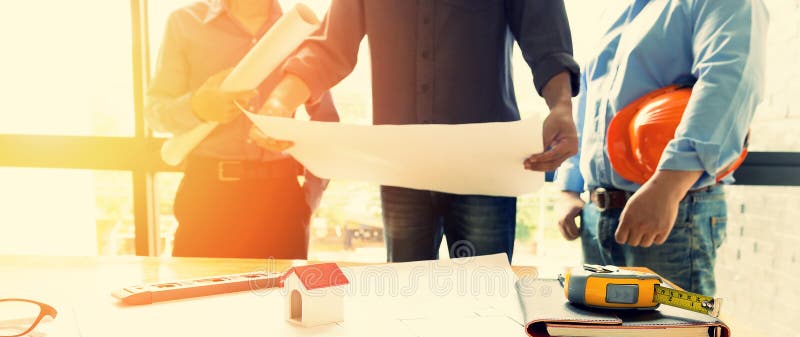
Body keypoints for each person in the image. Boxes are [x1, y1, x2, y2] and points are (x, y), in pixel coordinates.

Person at [251, 1, 580, 262]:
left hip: (485, 170)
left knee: (487, 296)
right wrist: (280, 102)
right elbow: (331, 44)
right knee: (404, 299)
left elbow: (546, 36)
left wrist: (562, 106)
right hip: (401, 169)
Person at [556, 0, 768, 295]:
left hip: (673, 209)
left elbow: (730, 83)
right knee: (603, 325)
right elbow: (590, 105)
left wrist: (668, 186)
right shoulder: (614, 11)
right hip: (597, 216)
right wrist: (569, 188)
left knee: (675, 325)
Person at [147, 0, 338, 260]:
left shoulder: (301, 30)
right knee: (199, 286)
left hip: (280, 199)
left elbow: (325, 119)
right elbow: (155, 113)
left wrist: (309, 199)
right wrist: (197, 107)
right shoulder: (184, 23)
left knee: (280, 287)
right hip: (207, 194)